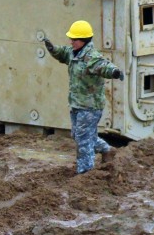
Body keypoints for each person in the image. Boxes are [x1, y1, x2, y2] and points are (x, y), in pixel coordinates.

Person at [42, 20, 124, 175]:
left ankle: (85, 171)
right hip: (77, 104)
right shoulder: (74, 53)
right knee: (79, 135)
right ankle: (106, 150)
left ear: (84, 40)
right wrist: (52, 49)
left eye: (75, 39)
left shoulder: (91, 57)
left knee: (82, 138)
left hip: (90, 106)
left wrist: (115, 72)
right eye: (71, 39)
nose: (71, 41)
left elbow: (104, 66)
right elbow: (62, 52)